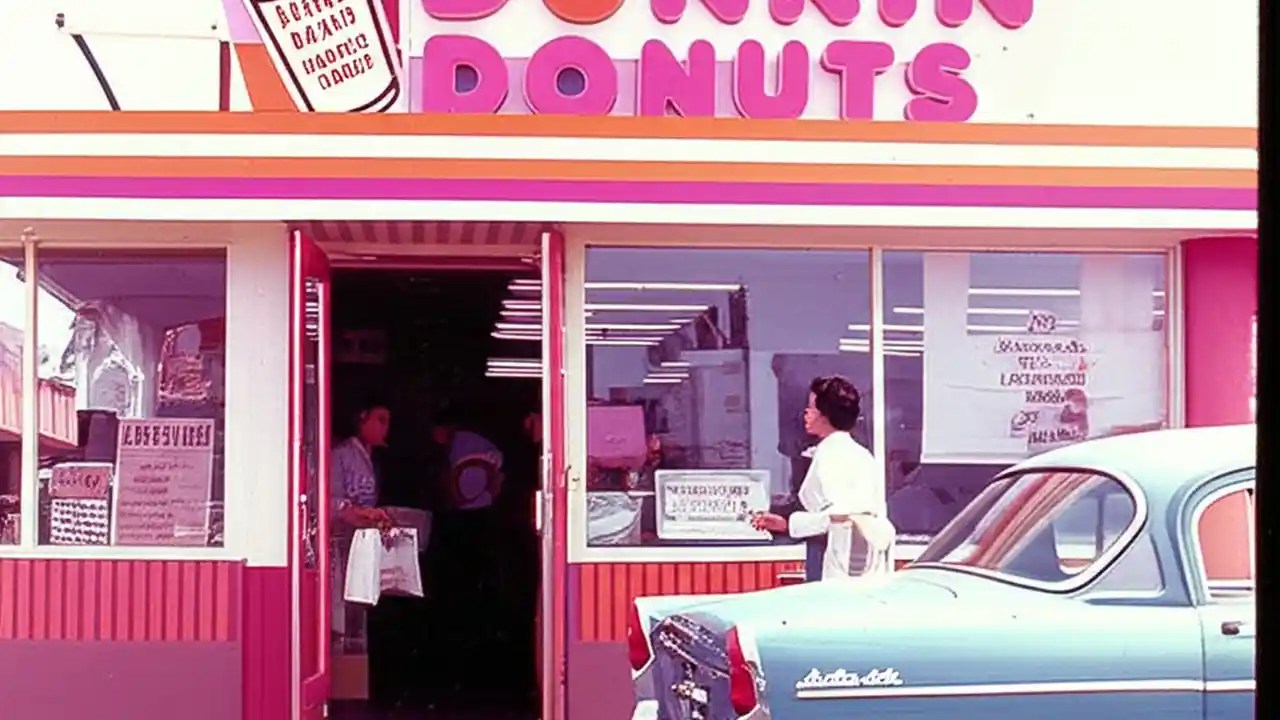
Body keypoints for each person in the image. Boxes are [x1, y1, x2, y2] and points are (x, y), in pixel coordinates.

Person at [751, 375, 894, 581]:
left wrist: (786, 524)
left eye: (812, 408)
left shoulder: (832, 455)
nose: (806, 414)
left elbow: (840, 514)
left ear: (826, 415)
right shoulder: (862, 455)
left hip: (835, 553)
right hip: (862, 558)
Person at [330, 400, 393, 650]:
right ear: (361, 418)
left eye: (387, 422)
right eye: (380, 420)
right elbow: (330, 500)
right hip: (341, 542)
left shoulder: (371, 457)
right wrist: (355, 512)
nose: (385, 428)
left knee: (360, 604)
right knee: (343, 607)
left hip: (363, 543)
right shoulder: (341, 454)